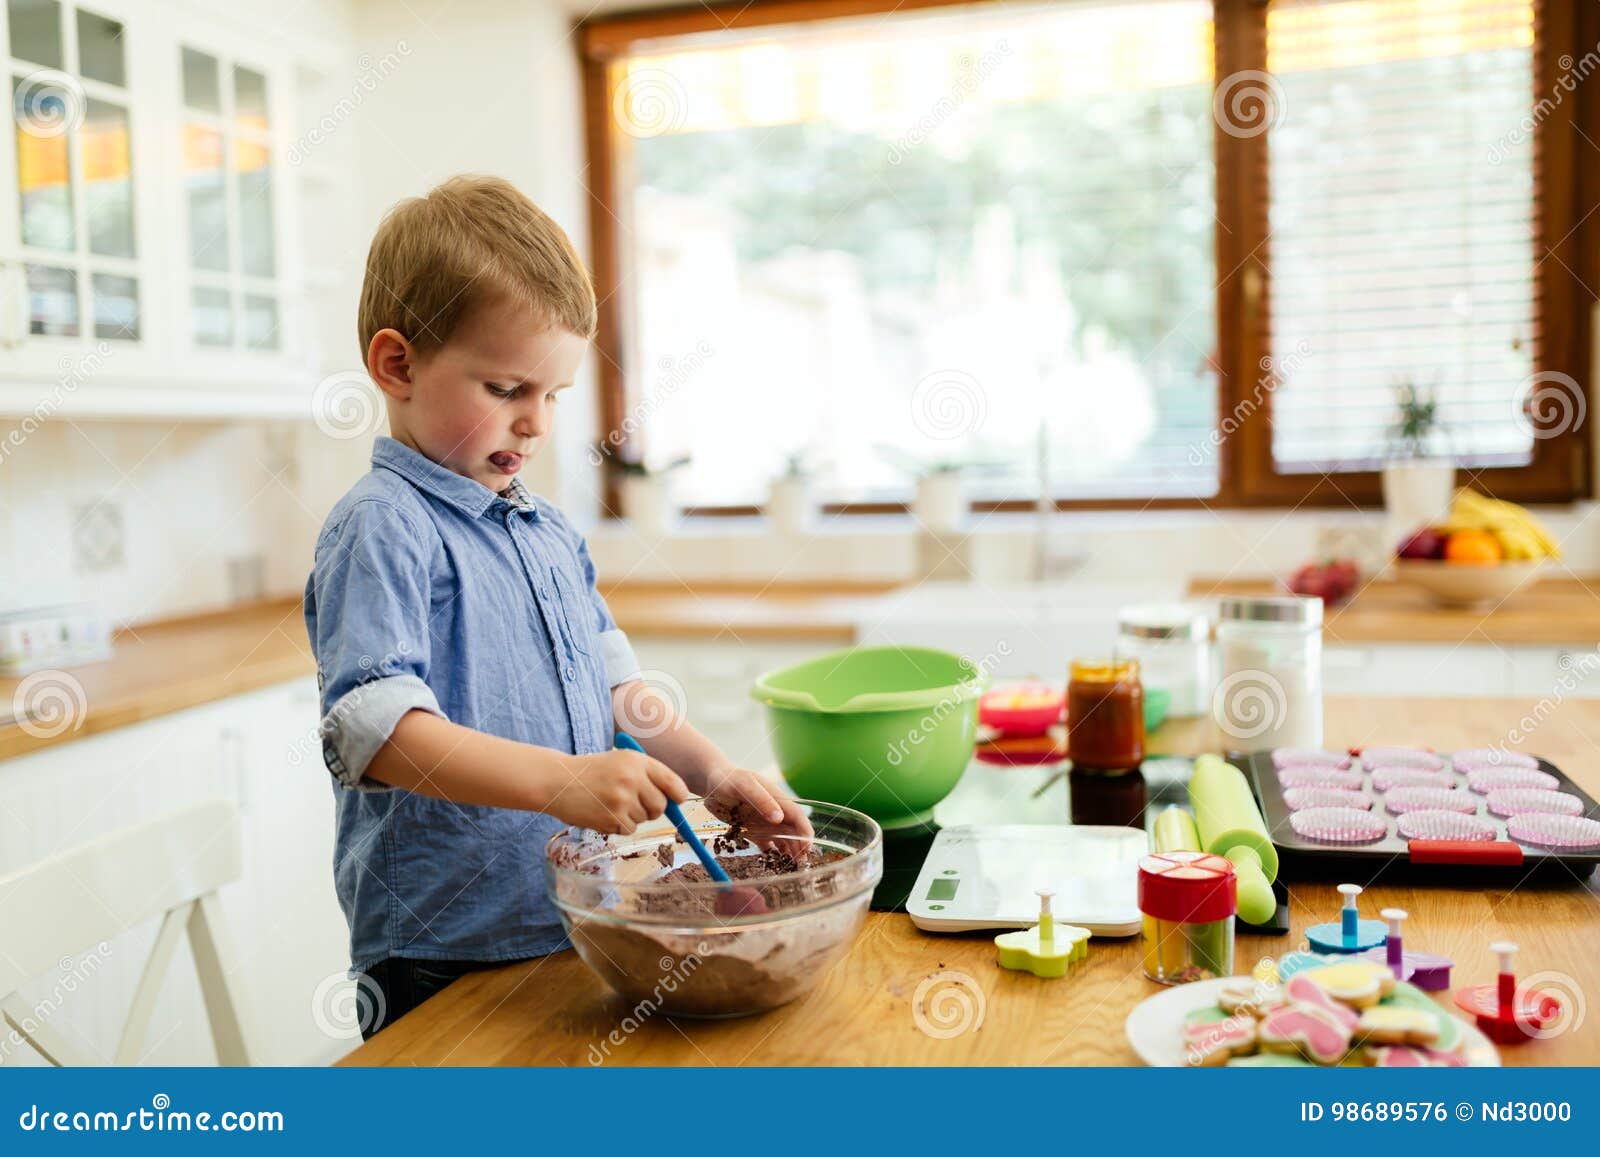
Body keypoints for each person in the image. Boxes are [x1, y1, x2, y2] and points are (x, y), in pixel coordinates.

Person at [304, 175, 809, 1039]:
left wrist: (712, 771)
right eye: (506, 389)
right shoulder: (382, 526)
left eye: (553, 396)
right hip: (442, 948)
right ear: (398, 365)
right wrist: (565, 780)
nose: (535, 423)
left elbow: (621, 695)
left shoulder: (545, 531)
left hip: (568, 916)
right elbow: (377, 733)